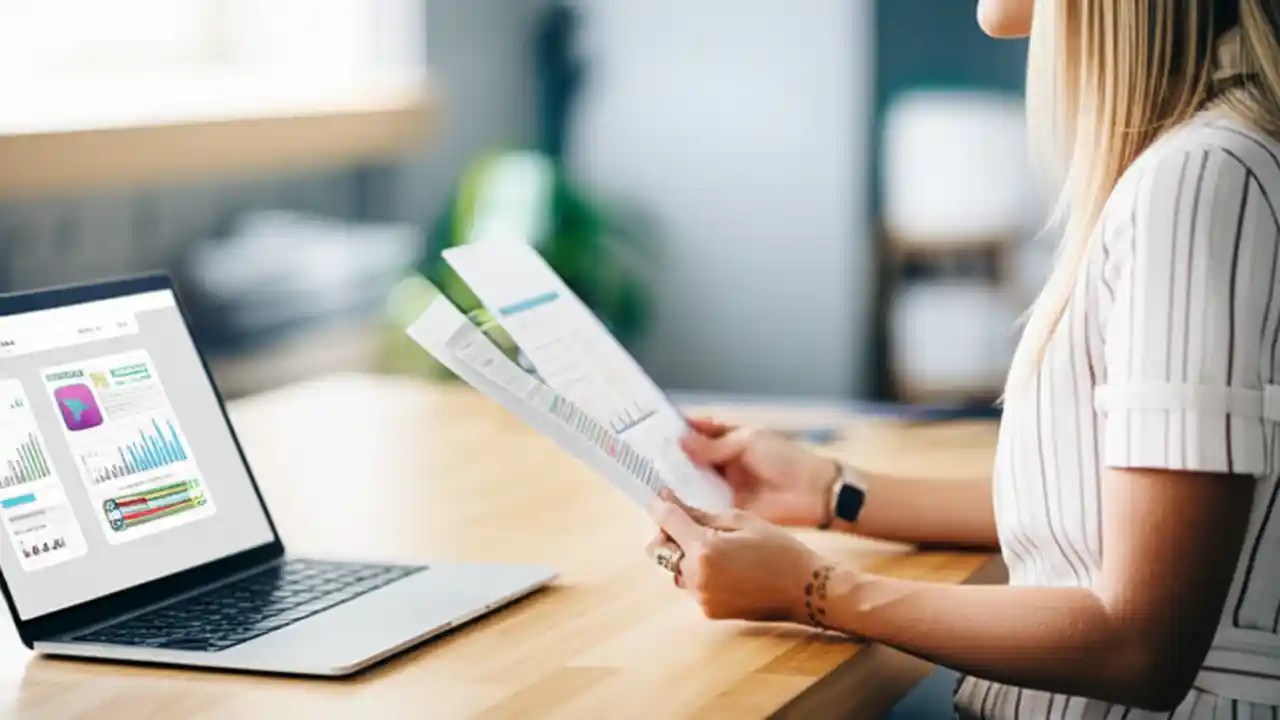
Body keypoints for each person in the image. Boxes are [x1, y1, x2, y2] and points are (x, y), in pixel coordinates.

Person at [644, 0, 1280, 717]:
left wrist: (814, 589)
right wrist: (833, 492)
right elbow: (1105, 507)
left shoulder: (1198, 180)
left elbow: (1138, 644)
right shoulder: (1209, 160)